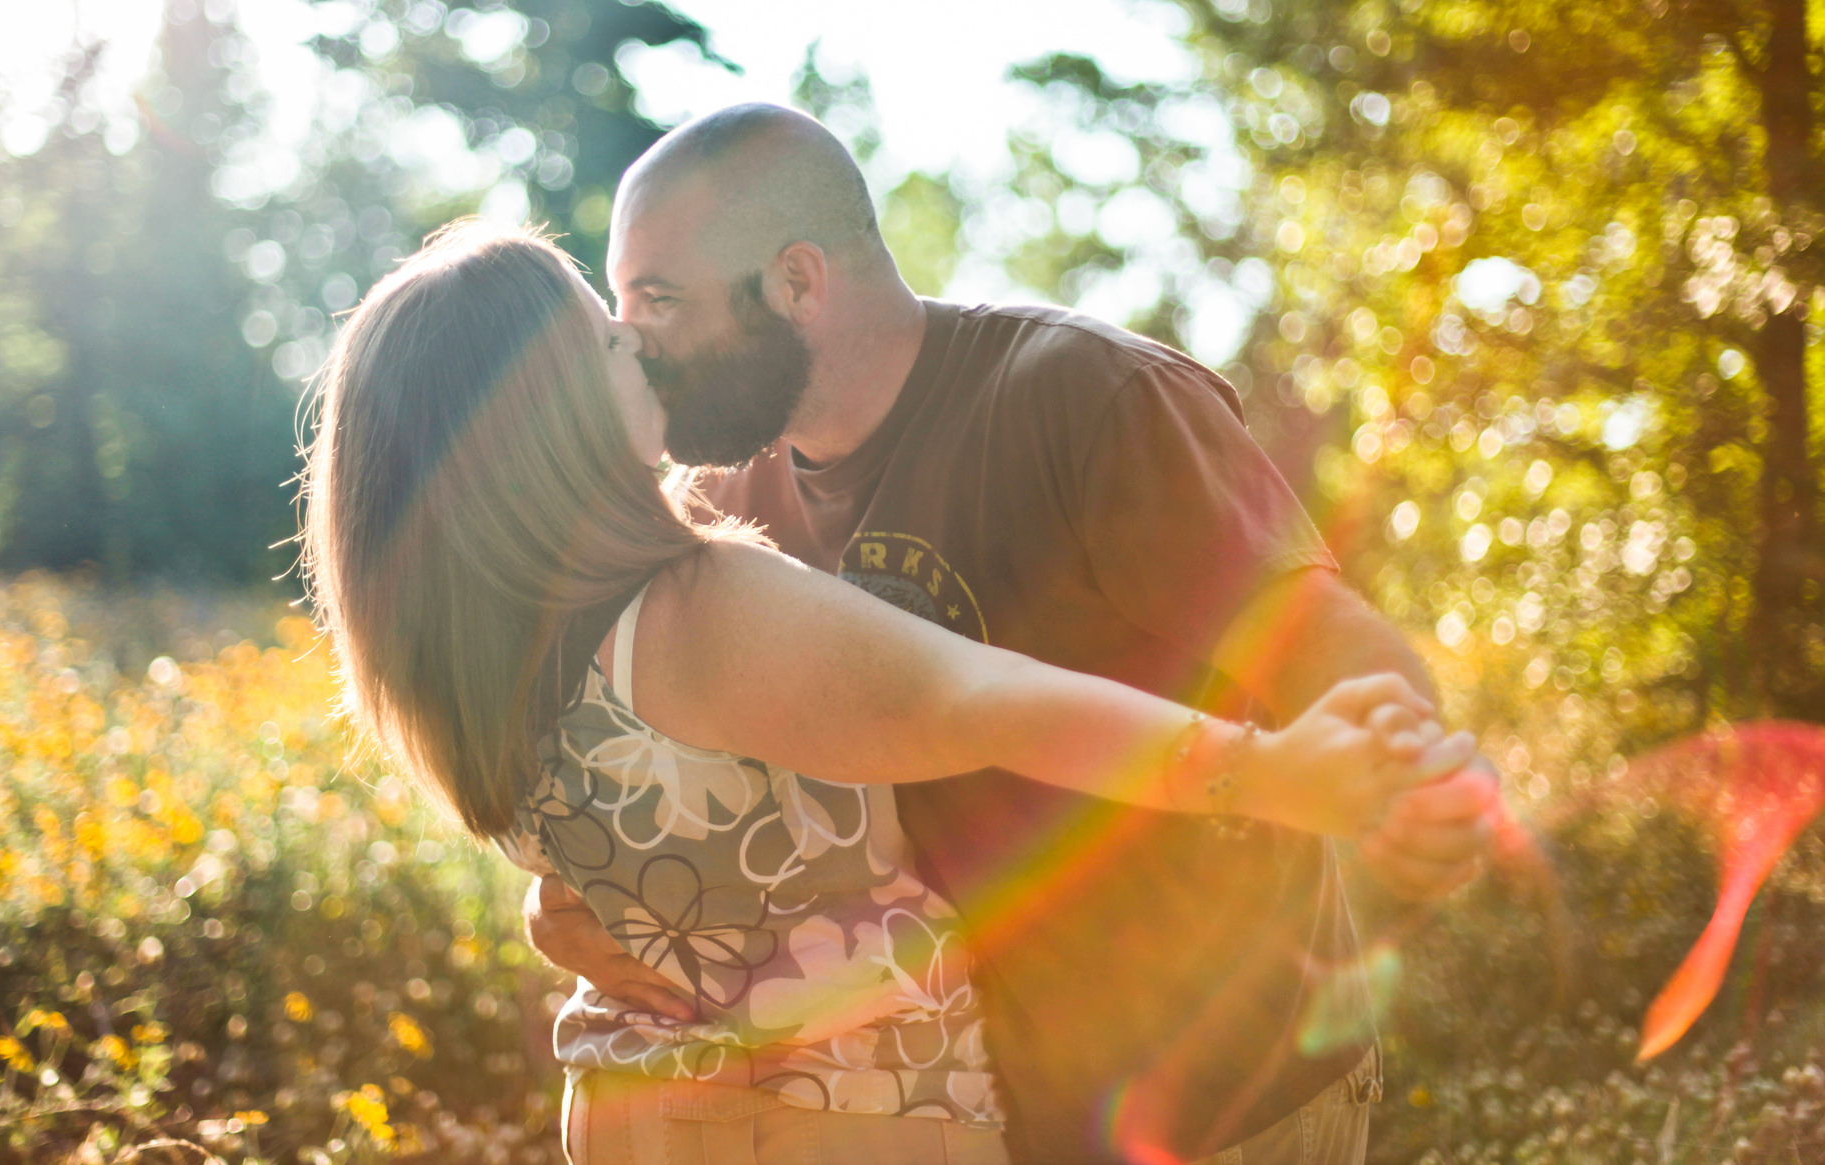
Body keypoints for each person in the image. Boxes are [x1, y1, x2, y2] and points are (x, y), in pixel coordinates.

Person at [300, 222, 1475, 1165]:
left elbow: (653, 818)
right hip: (838, 1121)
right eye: (611, 332)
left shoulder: (492, 650)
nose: (641, 345)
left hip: (647, 1114)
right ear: (542, 412)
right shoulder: (702, 591)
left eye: (649, 306)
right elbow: (978, 700)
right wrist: (1266, 773)